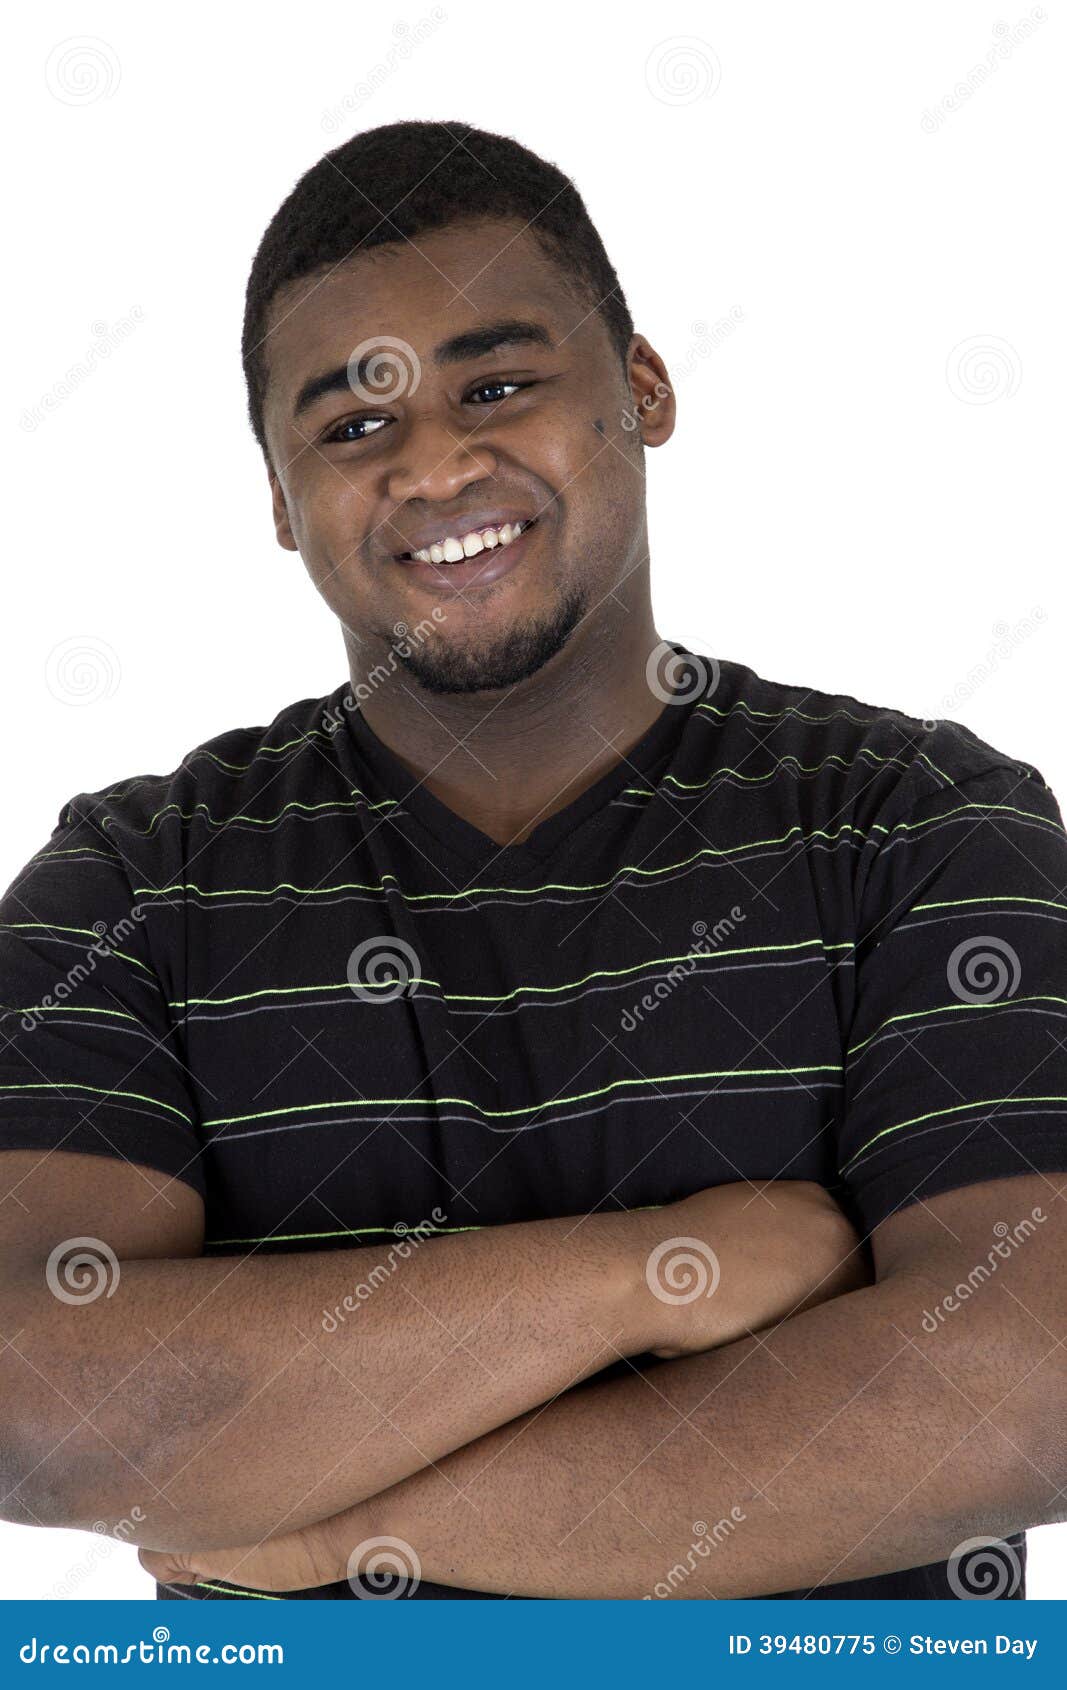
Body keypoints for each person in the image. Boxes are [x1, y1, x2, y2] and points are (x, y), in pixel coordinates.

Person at [2, 121, 1065, 1603]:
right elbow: (41, 1398)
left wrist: (324, 1531)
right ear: (276, 498)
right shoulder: (135, 885)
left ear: (641, 388)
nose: (438, 461)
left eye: (498, 384)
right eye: (353, 427)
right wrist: (658, 1265)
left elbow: (1018, 1385)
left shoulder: (920, 826)